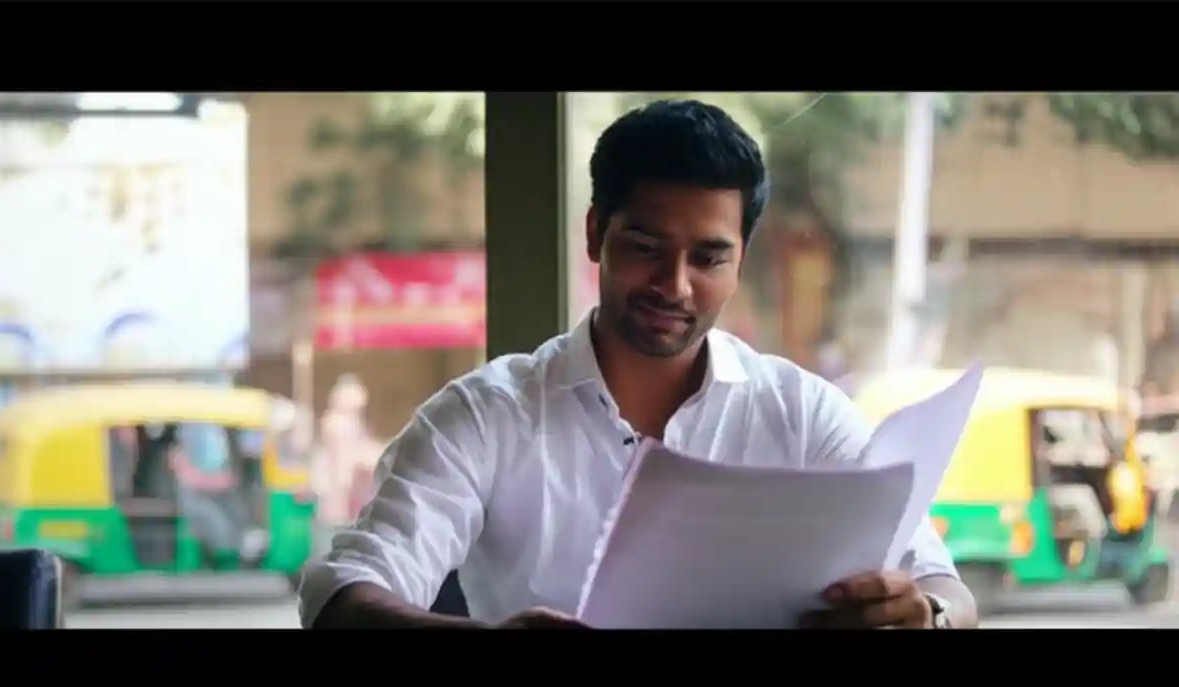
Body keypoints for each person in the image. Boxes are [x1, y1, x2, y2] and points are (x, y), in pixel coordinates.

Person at [298, 99, 978, 630]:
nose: (675, 285)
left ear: (741, 258)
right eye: (646, 246)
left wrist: (926, 614)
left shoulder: (801, 414)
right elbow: (342, 592)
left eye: (708, 258)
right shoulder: (487, 415)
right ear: (596, 233)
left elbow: (944, 584)